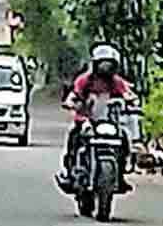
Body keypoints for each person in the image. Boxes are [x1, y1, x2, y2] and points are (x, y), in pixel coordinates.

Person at [57, 44, 137, 194]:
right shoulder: (84, 80)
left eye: (109, 65)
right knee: (74, 137)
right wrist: (71, 103)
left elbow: (127, 94)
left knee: (124, 139)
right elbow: (74, 95)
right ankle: (70, 173)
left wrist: (131, 101)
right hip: (86, 119)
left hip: (109, 121)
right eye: (102, 64)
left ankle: (120, 174)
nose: (105, 69)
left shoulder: (116, 82)